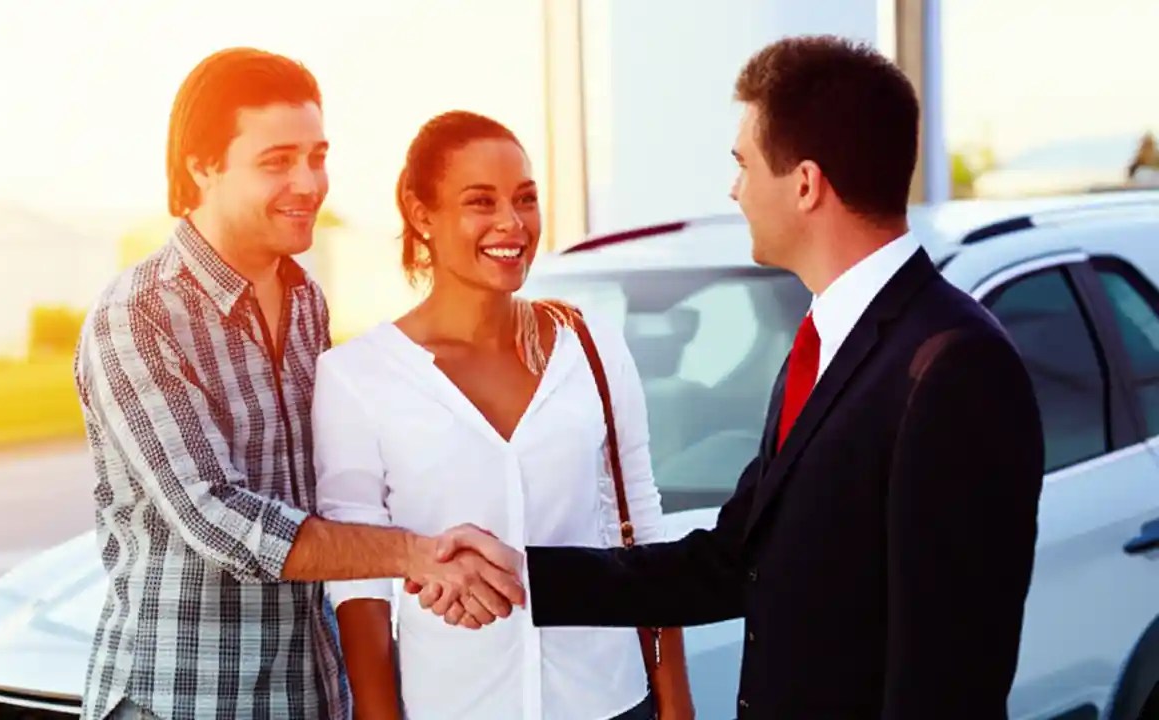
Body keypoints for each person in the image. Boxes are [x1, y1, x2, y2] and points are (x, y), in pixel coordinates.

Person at [425, 36, 1045, 719]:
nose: (734, 188)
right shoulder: (823, 342)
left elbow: (949, 677)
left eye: (743, 163)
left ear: (805, 184)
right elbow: (730, 562)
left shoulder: (954, 366)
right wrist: (521, 573)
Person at [73, 49, 522, 720]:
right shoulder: (138, 315)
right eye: (277, 161)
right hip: (185, 701)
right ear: (203, 166)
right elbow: (216, 516)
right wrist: (419, 556)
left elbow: (335, 483)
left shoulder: (304, 297)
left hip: (307, 692)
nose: (310, 182)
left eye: (317, 155)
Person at [312, 110, 694, 720]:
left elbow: (642, 526)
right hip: (454, 704)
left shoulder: (592, 348)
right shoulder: (358, 378)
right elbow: (360, 583)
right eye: (480, 202)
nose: (511, 224)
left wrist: (675, 701)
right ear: (421, 213)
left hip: (611, 700)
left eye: (525, 199)